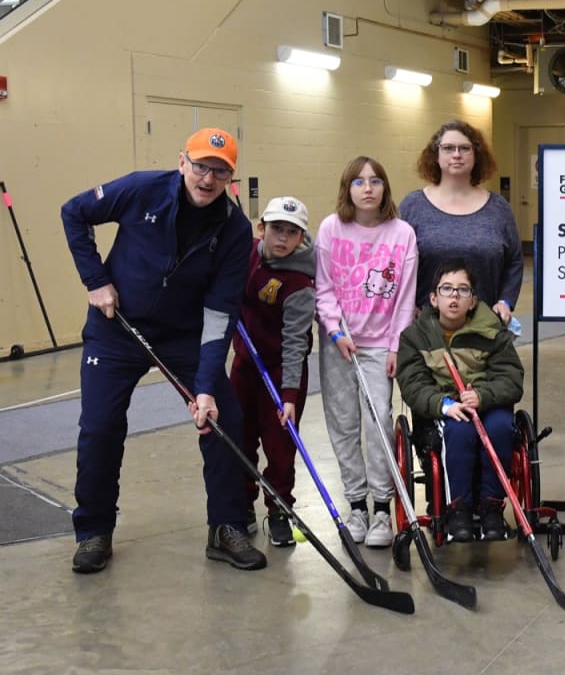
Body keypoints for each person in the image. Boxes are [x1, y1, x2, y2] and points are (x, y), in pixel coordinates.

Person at [61, 127, 266, 573]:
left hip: (183, 336)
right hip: (117, 329)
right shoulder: (142, 189)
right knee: (100, 426)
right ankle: (94, 530)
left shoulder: (234, 229)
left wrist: (206, 386)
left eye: (220, 172)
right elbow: (73, 212)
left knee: (224, 418)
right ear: (181, 162)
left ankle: (226, 526)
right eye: (200, 166)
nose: (207, 179)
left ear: (231, 178)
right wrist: (95, 280)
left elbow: (220, 311)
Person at [315, 156, 418, 549]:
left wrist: (395, 345)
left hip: (379, 345)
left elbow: (405, 296)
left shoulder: (402, 233)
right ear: (348, 189)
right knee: (343, 423)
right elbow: (324, 287)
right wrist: (334, 330)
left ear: (385, 187)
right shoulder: (331, 228)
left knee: (378, 424)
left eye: (375, 181)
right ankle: (356, 505)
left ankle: (381, 509)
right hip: (339, 343)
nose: (368, 188)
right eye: (358, 182)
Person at [396, 258, 524, 543]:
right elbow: (413, 385)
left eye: (463, 290)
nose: (454, 296)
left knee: (501, 428)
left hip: (487, 404)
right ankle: (459, 508)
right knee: (459, 430)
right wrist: (444, 404)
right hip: (446, 408)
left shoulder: (493, 332)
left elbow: (511, 378)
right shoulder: (415, 338)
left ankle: (492, 507)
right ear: (433, 298)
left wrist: (482, 396)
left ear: (473, 300)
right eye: (446, 289)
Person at [229, 196, 315, 547]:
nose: (283, 238)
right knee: (240, 438)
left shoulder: (300, 282)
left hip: (281, 372)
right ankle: (243, 503)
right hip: (245, 365)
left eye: (292, 232)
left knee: (280, 447)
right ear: (261, 227)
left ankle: (280, 508)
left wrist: (289, 395)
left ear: (301, 237)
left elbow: (295, 342)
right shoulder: (245, 252)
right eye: (277, 228)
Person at [400, 120, 522, 325]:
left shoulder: (498, 207)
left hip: (484, 327)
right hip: (425, 328)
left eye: (465, 148)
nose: (456, 154)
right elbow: (395, 262)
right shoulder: (412, 206)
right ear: (436, 155)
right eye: (448, 148)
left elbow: (514, 261)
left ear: (476, 155)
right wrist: (406, 305)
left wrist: (505, 301)